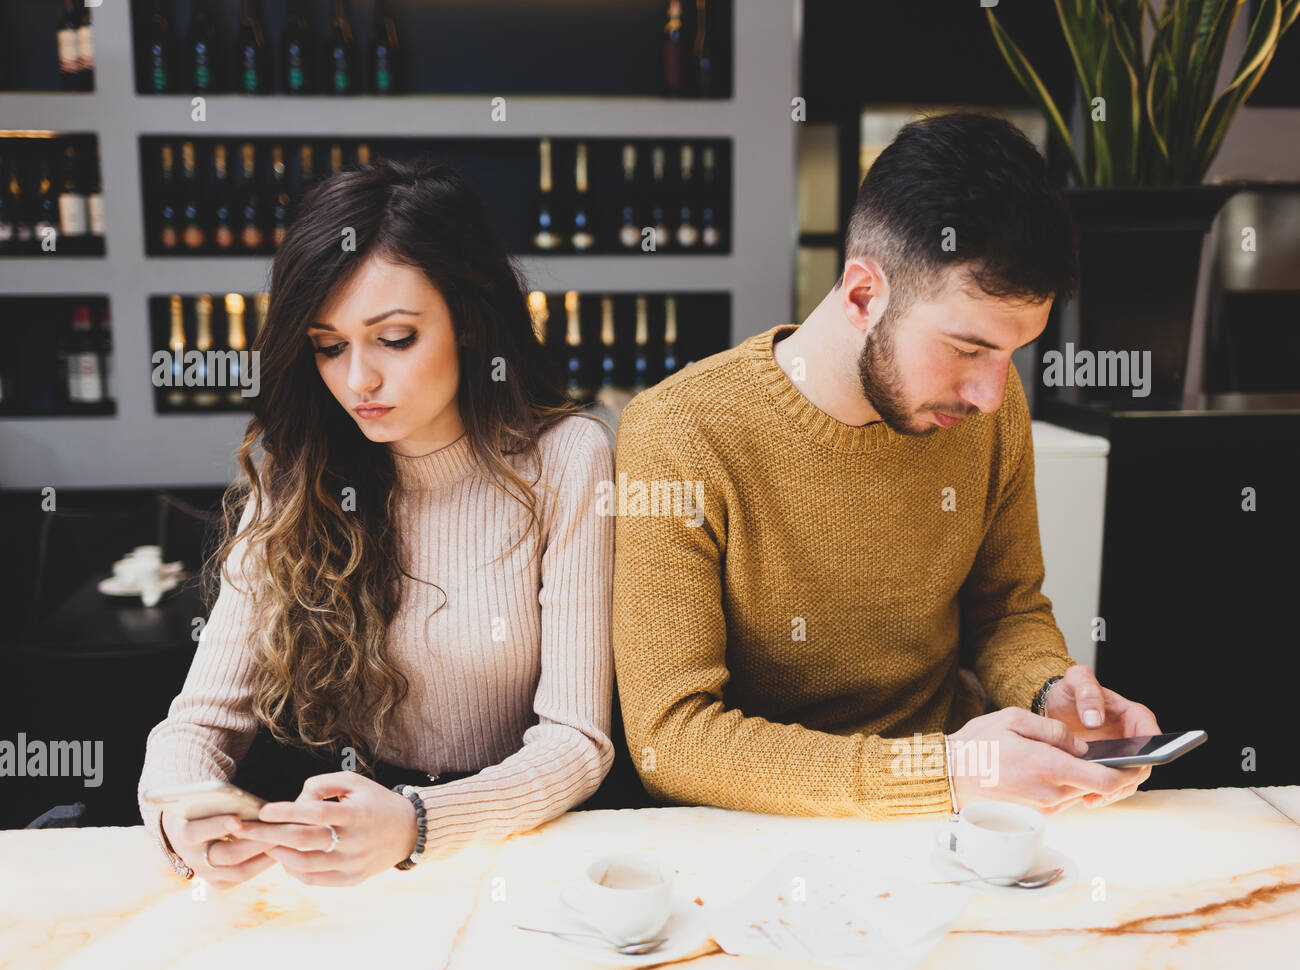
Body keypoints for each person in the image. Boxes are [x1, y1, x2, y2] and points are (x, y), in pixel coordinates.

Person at [612, 112, 1155, 819]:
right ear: (864, 294)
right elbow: (671, 740)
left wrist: (1052, 693)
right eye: (967, 349)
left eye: (1012, 353)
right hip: (756, 837)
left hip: (956, 822)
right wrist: (941, 772)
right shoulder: (679, 431)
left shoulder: (989, 409)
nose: (991, 395)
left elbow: (1007, 609)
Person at [138, 158, 614, 886]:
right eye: (329, 346)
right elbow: (195, 726)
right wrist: (184, 811)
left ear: (470, 321)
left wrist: (420, 824)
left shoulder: (567, 458)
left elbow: (578, 741)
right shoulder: (301, 476)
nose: (357, 380)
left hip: (519, 851)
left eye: (394, 339)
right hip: (347, 854)